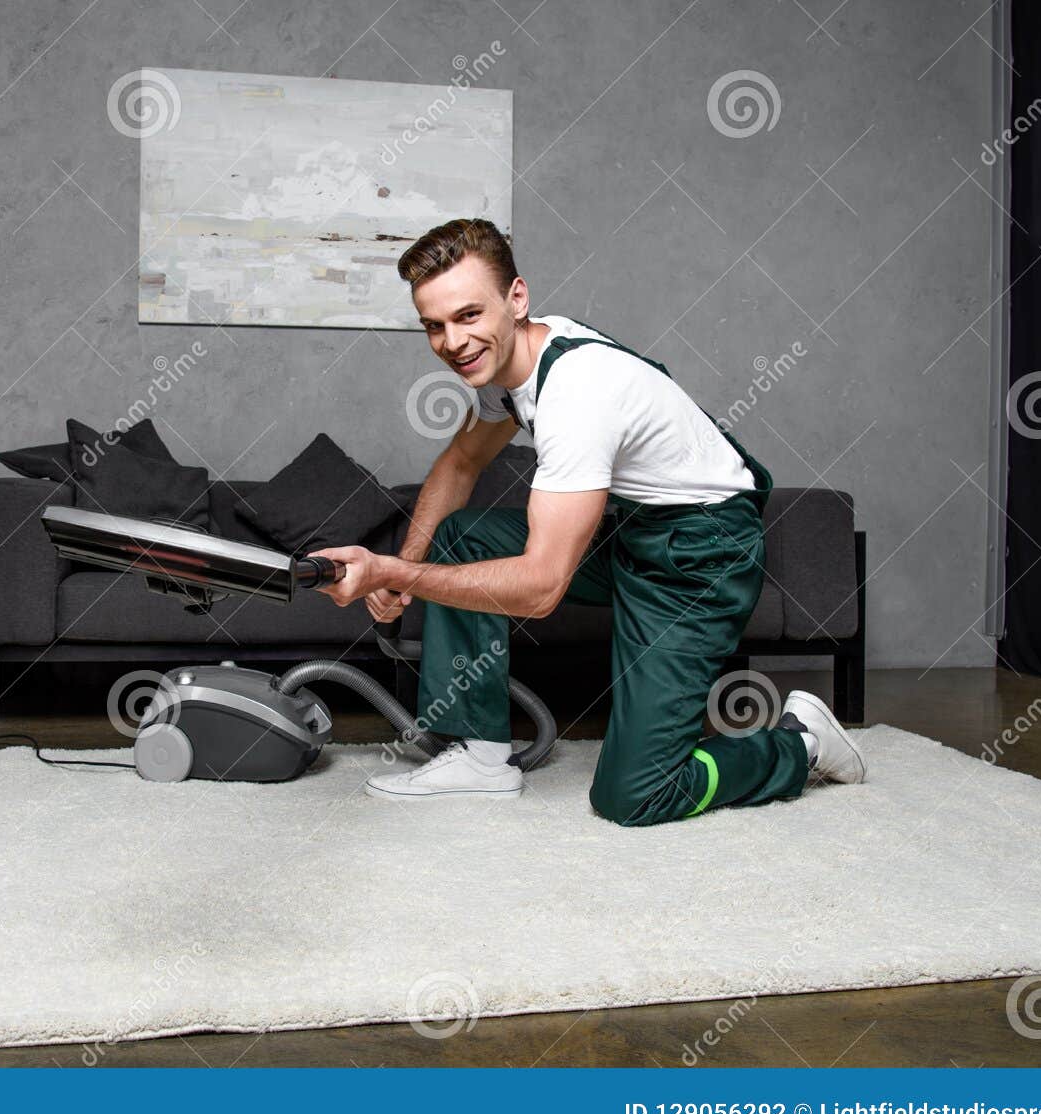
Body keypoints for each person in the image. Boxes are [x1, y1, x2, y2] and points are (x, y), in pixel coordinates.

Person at [313, 218, 866, 825]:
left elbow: (541, 587)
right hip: (633, 533)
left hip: (700, 558)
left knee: (637, 796)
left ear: (516, 299)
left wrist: (393, 571)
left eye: (469, 316)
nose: (453, 342)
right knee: (463, 535)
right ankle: (479, 754)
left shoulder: (578, 392)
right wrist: (409, 566)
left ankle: (800, 743)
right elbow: (461, 460)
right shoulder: (514, 362)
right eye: (434, 326)